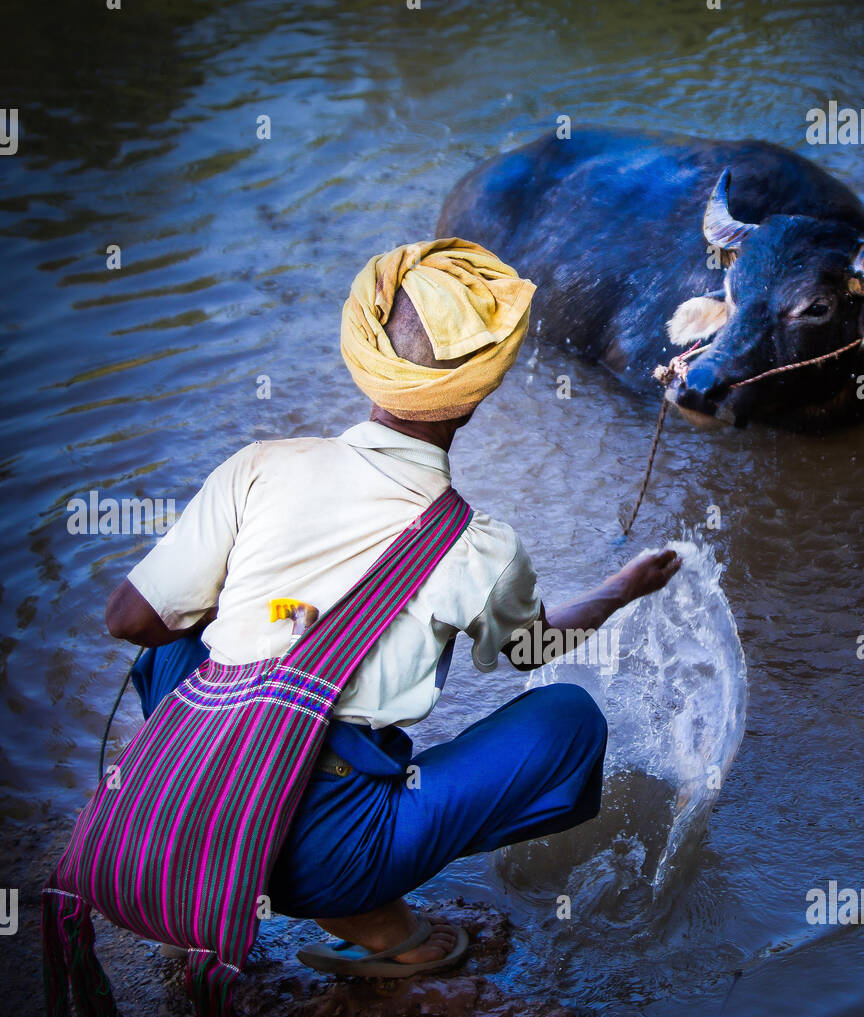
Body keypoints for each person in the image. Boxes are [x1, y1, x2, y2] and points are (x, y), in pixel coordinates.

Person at [103, 238, 681, 978]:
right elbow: (531, 653)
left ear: (366, 354)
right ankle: (369, 914)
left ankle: (217, 836)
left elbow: (129, 621)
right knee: (567, 720)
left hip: (199, 802)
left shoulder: (258, 467)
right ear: (476, 393)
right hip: (323, 860)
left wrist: (263, 602)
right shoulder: (476, 543)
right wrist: (621, 587)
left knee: (172, 643)